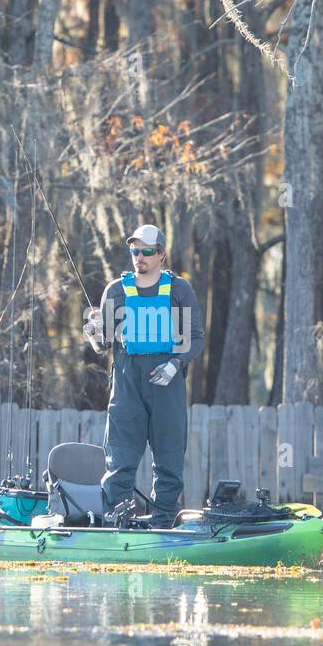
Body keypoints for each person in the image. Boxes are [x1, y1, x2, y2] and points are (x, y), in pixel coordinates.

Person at [83, 224, 204, 527]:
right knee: (119, 460)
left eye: (147, 251)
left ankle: (163, 523)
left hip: (167, 382)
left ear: (161, 254)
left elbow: (196, 338)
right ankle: (116, 523)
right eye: (135, 250)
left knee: (169, 460)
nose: (140, 256)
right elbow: (103, 344)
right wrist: (93, 334)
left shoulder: (180, 290)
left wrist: (175, 365)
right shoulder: (115, 291)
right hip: (126, 383)